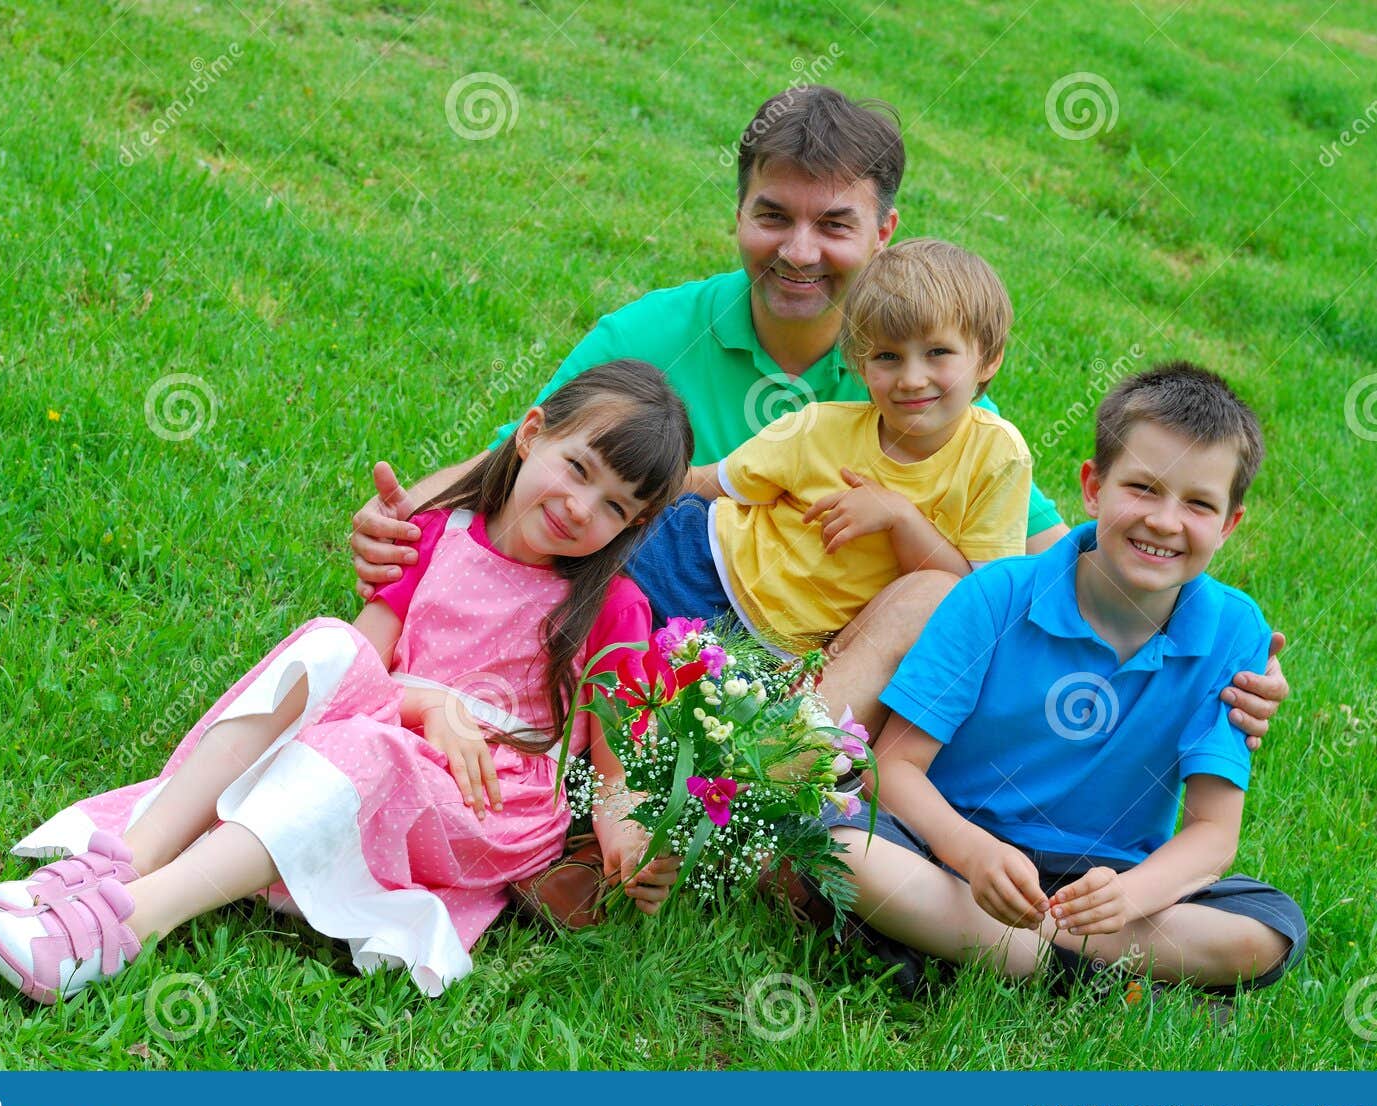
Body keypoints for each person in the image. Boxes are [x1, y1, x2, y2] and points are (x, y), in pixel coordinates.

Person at [348, 84, 1289, 746]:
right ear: (740, 213)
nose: (799, 251)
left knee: (933, 609)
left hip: (797, 650)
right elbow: (516, 466)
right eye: (773, 215)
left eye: (835, 224)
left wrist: (1208, 641)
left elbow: (1045, 559)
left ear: (883, 233)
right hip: (640, 587)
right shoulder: (652, 334)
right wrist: (405, 526)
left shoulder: (929, 396)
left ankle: (791, 783)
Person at [0, 361, 694, 1004]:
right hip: (389, 729)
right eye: (579, 469)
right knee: (329, 641)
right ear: (532, 432)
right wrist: (431, 702)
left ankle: (128, 922)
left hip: (487, 800)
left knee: (365, 751)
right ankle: (127, 857)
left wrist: (631, 838)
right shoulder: (439, 533)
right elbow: (360, 665)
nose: (581, 508)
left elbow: (616, 771)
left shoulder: (610, 607)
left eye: (616, 508)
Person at [828, 363, 1305, 992]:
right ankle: (1084, 977)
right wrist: (971, 854)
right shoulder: (995, 595)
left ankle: (983, 952)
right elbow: (891, 768)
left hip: (1104, 886)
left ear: (1228, 524)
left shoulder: (1234, 630)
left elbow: (1213, 834)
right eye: (1142, 488)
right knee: (840, 845)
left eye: (1197, 503)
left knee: (1267, 931)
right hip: (950, 850)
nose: (1164, 521)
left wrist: (1131, 896)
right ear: (1093, 487)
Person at [626, 238, 1030, 657]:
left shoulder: (996, 455)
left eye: (938, 353)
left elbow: (977, 600)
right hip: (698, 557)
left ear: (989, 358)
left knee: (679, 704)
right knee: (586, 595)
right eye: (888, 356)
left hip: (778, 650)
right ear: (860, 365)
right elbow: (709, 483)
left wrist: (899, 518)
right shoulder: (821, 426)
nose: (911, 379)